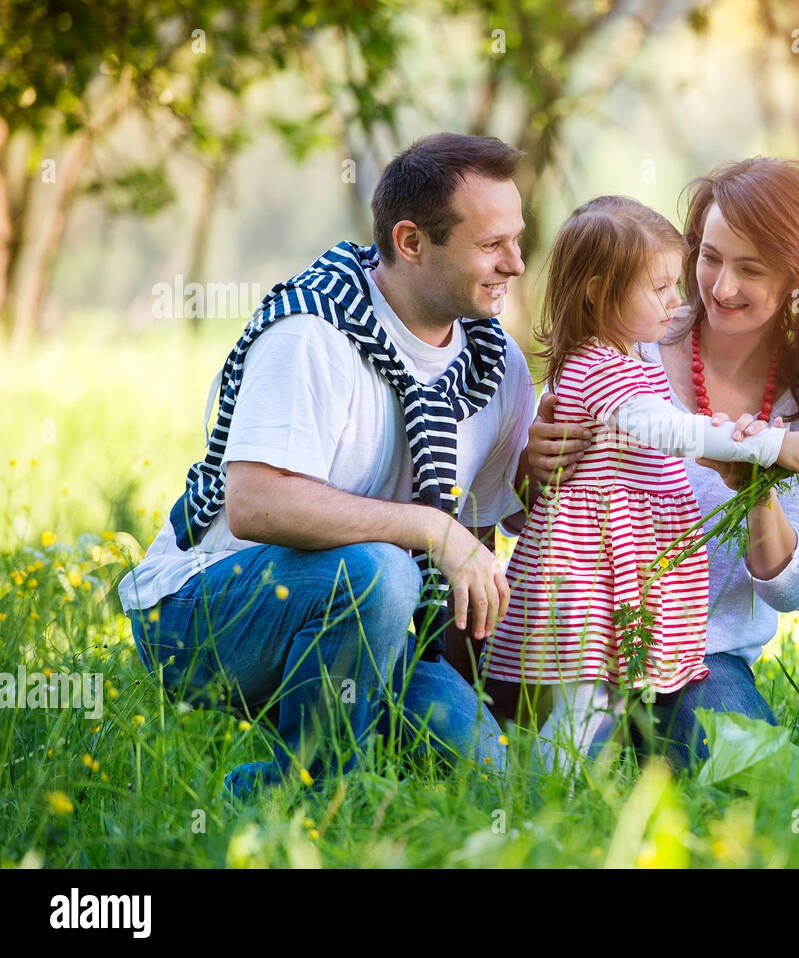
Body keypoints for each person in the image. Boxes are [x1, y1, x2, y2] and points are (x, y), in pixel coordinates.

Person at [118, 133, 536, 799]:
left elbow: (477, 549)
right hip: (198, 614)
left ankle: (338, 753)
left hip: (382, 623)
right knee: (383, 567)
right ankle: (306, 798)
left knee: (495, 783)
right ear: (411, 242)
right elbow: (254, 504)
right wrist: (430, 530)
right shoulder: (312, 332)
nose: (516, 263)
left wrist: (476, 697)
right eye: (491, 245)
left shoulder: (494, 365)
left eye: (518, 238)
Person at [522, 157, 799, 771]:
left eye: (751, 269)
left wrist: (760, 492)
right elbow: (534, 515)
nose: (719, 288)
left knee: (752, 779)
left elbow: (793, 587)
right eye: (708, 257)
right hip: (587, 637)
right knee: (560, 762)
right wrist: (532, 468)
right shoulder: (629, 329)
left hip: (697, 657)